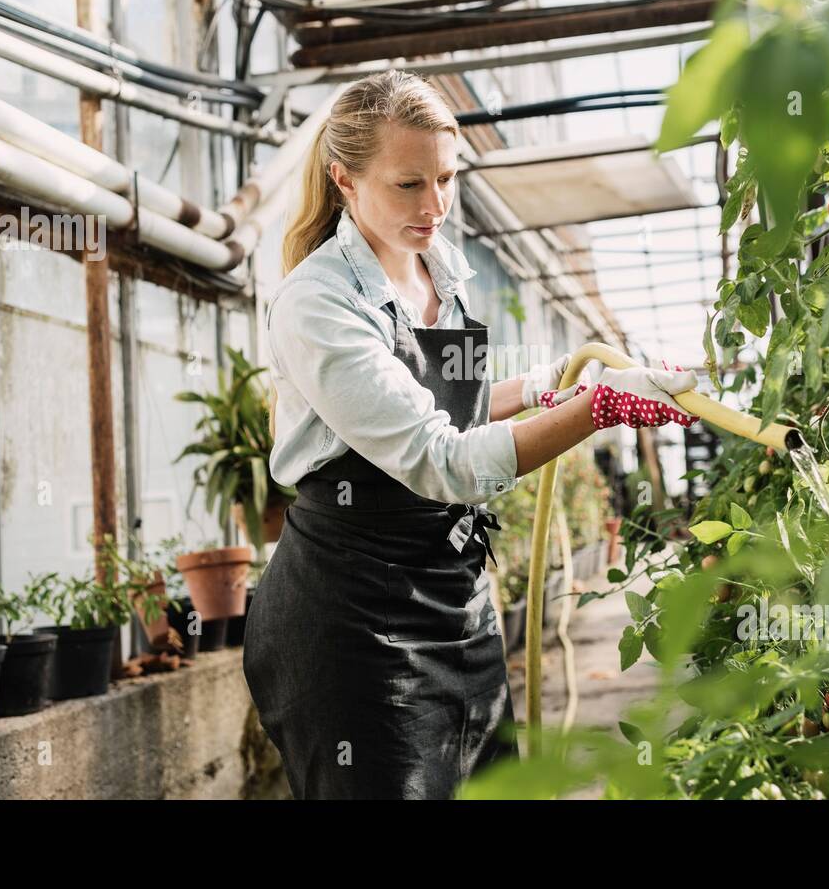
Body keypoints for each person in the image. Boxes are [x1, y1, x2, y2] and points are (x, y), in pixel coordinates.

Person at [242, 69, 699, 799]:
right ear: (344, 179)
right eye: (408, 184)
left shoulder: (440, 269)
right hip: (355, 618)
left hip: (453, 596)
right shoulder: (317, 302)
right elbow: (438, 458)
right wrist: (598, 408)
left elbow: (449, 404)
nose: (435, 205)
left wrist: (556, 385)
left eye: (447, 179)